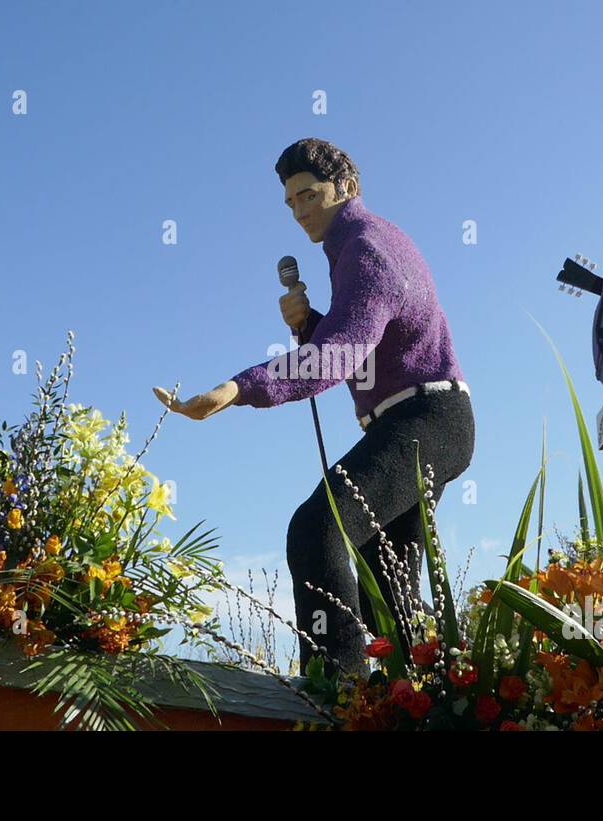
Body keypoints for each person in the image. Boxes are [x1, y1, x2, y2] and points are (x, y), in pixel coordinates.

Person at [152, 137, 474, 677]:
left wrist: (238, 388)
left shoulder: (367, 250)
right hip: (421, 421)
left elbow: (337, 358)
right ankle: (427, 696)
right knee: (389, 594)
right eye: (291, 203)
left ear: (346, 187)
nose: (300, 212)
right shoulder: (362, 247)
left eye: (309, 196)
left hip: (425, 422)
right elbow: (359, 352)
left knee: (317, 529)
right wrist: (310, 324)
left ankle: (338, 693)